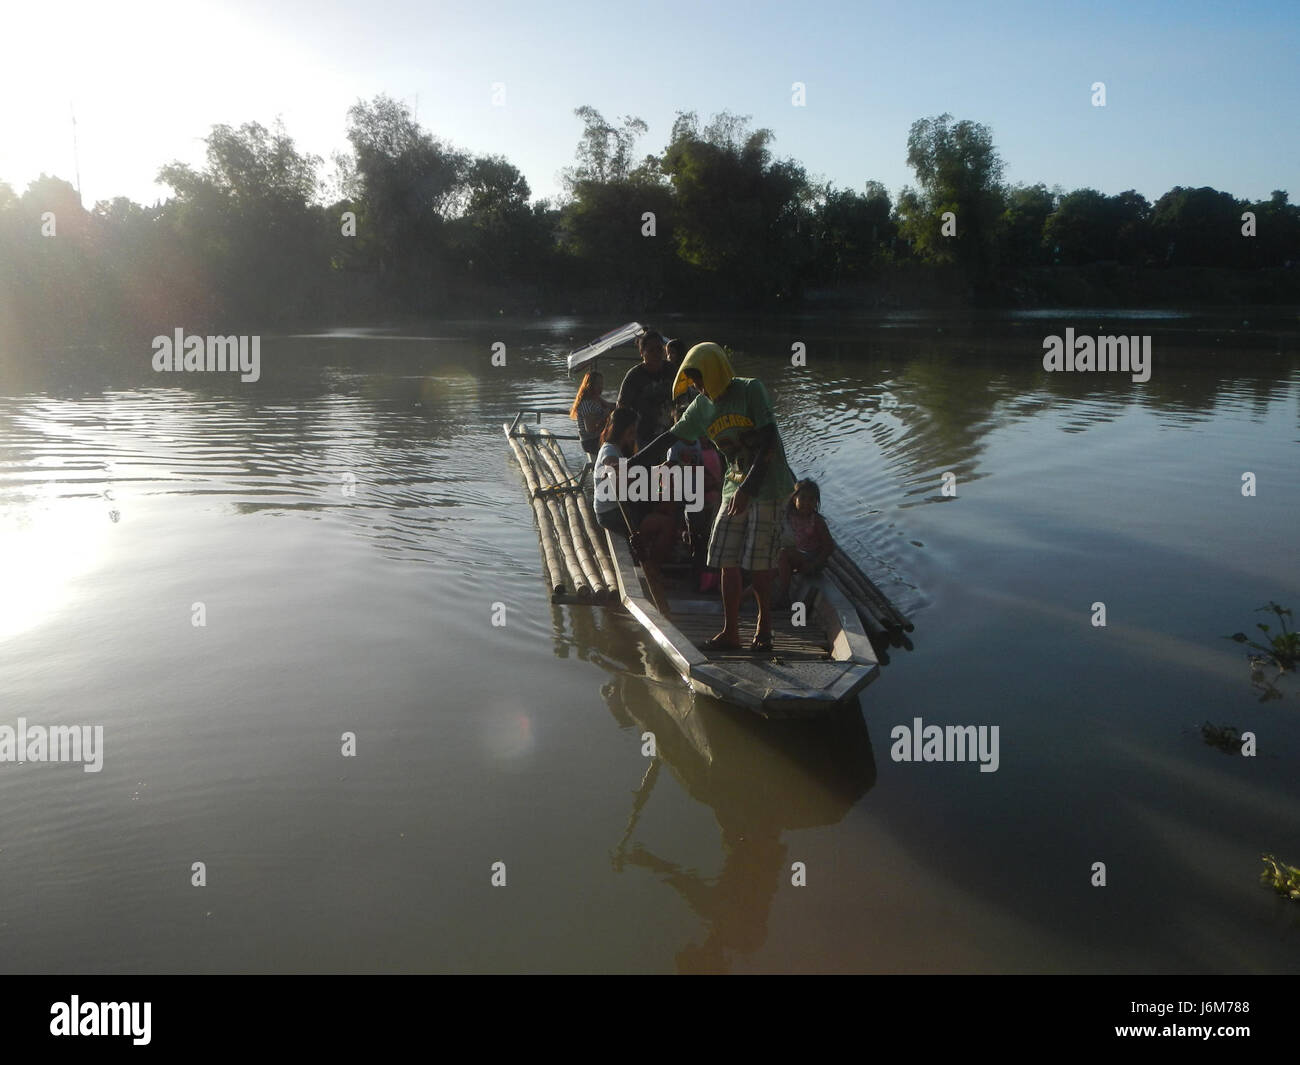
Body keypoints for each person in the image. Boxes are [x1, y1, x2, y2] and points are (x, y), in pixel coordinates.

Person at [630, 342, 795, 652]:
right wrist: (636, 462)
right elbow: (672, 436)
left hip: (767, 486)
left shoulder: (750, 391)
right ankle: (730, 632)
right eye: (694, 383)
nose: (699, 388)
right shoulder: (702, 407)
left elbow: (769, 443)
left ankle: (764, 629)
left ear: (716, 373)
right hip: (734, 485)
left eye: (701, 381)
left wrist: (748, 490)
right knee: (724, 557)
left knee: (760, 564)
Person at [593, 406, 676, 602]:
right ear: (623, 430)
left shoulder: (619, 449)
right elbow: (616, 471)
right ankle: (653, 570)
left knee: (668, 502)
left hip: (624, 506)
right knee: (666, 524)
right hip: (613, 512)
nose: (633, 436)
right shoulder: (609, 451)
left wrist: (659, 470)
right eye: (631, 431)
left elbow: (633, 476)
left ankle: (656, 554)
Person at [774, 479, 835, 607]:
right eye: (803, 498)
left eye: (811, 500)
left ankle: (783, 595)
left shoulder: (816, 521)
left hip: (812, 559)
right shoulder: (790, 515)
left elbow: (829, 546)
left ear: (816, 502)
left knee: (783, 553)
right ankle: (743, 598)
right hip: (798, 556)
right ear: (794, 499)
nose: (807, 503)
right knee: (770, 570)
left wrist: (814, 564)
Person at [616, 329, 675, 447]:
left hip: (671, 434)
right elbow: (622, 407)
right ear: (642, 353)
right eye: (651, 350)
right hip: (643, 437)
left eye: (659, 349)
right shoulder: (634, 376)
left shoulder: (672, 370)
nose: (656, 354)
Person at [570, 370, 616, 457]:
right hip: (591, 441)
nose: (601, 386)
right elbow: (590, 429)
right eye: (597, 384)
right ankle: (621, 468)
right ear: (590, 385)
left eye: (601, 383)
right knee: (621, 448)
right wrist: (605, 416)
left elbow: (611, 406)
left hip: (599, 437)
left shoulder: (596, 399)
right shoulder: (587, 404)